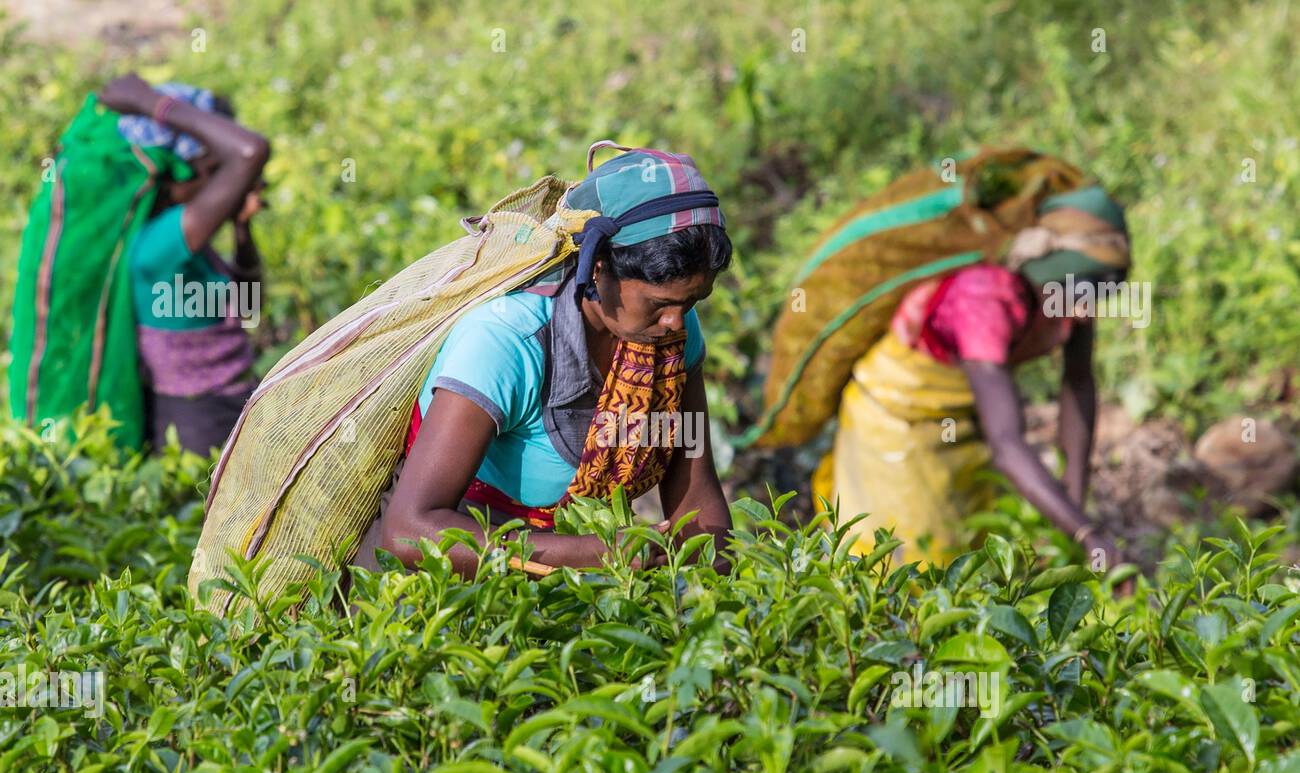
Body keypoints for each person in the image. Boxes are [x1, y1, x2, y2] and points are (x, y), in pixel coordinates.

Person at [353, 146, 733, 576]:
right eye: (660, 303)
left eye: (692, 302)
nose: (675, 322)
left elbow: (696, 487)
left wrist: (716, 595)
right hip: (436, 581)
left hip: (563, 580)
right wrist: (593, 553)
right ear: (599, 267)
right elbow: (410, 531)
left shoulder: (673, 332)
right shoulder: (506, 340)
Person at [811, 186, 1133, 573]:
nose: (1085, 312)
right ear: (1047, 273)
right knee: (904, 564)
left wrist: (1074, 509)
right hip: (898, 420)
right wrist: (1085, 534)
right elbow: (1006, 442)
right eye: (1080, 293)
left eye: (1099, 294)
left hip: (964, 418)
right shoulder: (984, 297)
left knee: (968, 557)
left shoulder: (1071, 296)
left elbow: (1078, 383)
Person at [98, 74, 270, 455]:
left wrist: (242, 229)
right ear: (178, 171)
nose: (223, 190)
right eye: (212, 172)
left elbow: (248, 308)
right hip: (196, 420)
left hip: (231, 402)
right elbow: (249, 151)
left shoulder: (188, 247)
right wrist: (151, 102)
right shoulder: (156, 247)